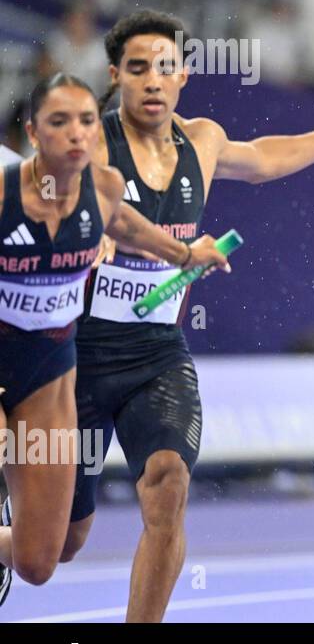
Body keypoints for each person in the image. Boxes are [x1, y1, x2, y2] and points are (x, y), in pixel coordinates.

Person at [55, 9, 314, 623]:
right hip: (75, 353)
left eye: (164, 68)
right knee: (61, 543)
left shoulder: (204, 141)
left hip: (156, 354)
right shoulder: (90, 145)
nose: (153, 81)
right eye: (138, 69)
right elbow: (84, 209)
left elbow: (263, 158)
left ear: (184, 76)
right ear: (116, 76)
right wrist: (141, 243)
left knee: (168, 486)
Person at [0, 73, 225, 607]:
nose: (77, 134)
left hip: (49, 374)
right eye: (59, 122)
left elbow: (133, 228)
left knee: (41, 560)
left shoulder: (101, 192)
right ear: (34, 133)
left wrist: (192, 255)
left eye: (84, 121)